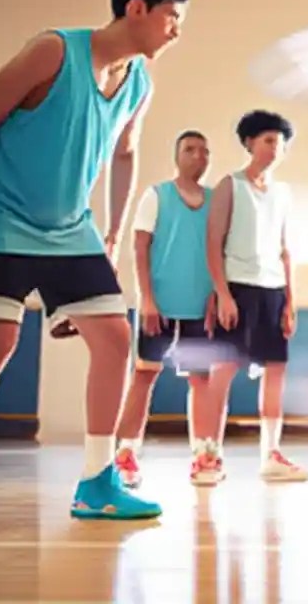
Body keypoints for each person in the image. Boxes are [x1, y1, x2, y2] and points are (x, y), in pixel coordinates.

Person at [0, 0, 187, 534]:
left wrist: (112, 232)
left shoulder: (139, 81)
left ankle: (96, 483)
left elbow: (124, 153)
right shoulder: (54, 52)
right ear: (135, 8)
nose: (176, 30)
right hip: (3, 219)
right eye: (171, 16)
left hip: (71, 229)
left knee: (115, 338)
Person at [201, 109, 308, 483]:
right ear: (249, 143)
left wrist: (291, 301)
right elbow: (213, 242)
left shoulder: (283, 193)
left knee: (276, 369)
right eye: (267, 140)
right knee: (224, 369)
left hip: (274, 289)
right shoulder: (230, 185)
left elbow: (285, 248)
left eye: (280, 143)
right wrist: (223, 294)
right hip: (239, 287)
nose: (275, 148)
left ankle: (272, 453)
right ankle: (209, 455)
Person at [114, 129, 221, 489]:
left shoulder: (216, 201)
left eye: (204, 151)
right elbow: (140, 248)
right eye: (190, 149)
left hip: (200, 309)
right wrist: (146, 298)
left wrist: (216, 295)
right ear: (177, 156)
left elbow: (219, 254)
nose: (198, 156)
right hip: (159, 307)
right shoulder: (156, 195)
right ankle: (126, 454)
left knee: (201, 380)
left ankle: (204, 455)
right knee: (144, 375)